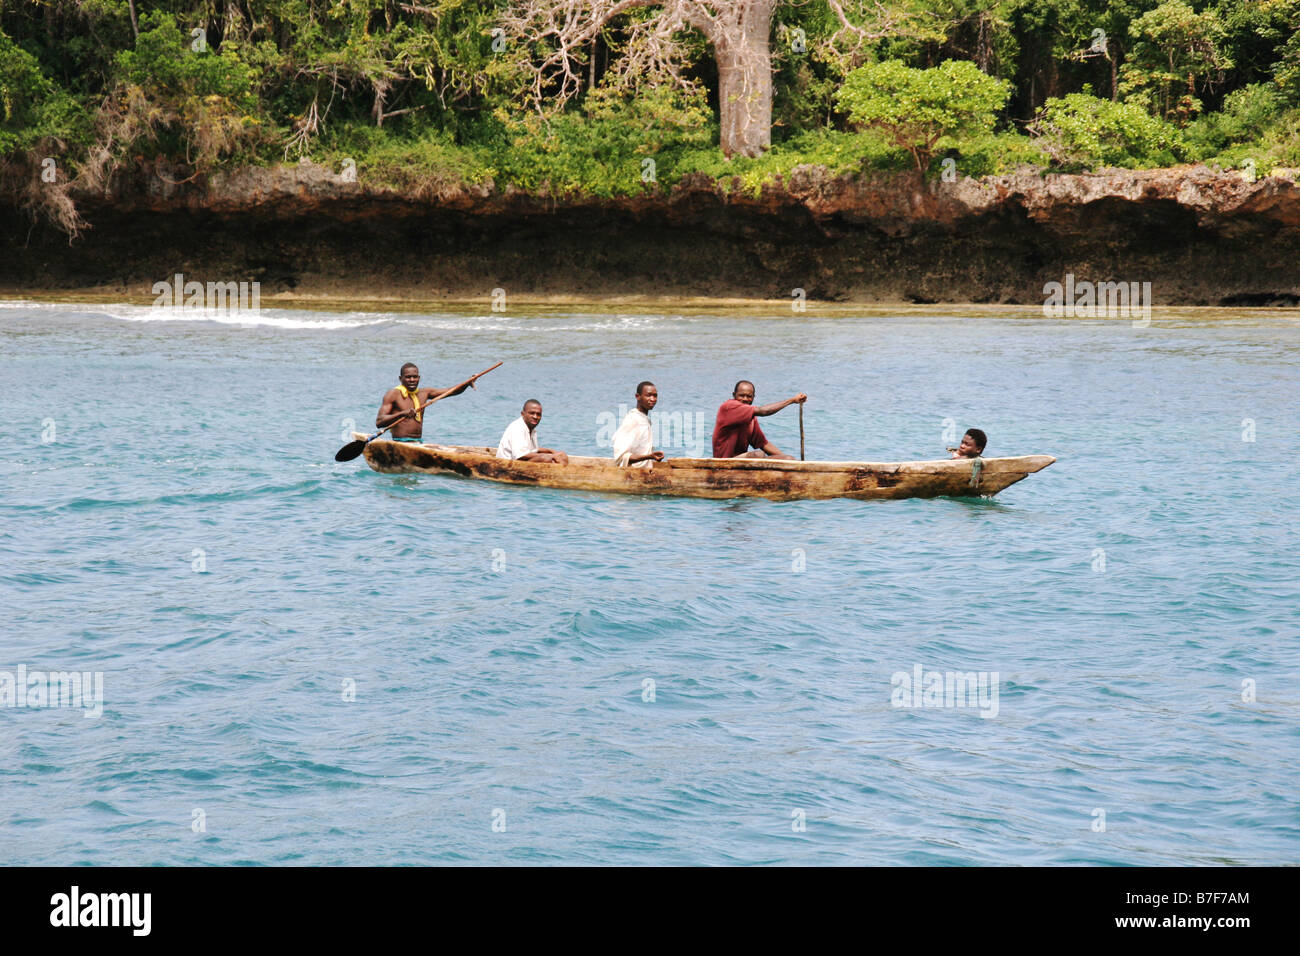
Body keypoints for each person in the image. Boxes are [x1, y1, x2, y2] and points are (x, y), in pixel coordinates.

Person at [376, 362, 479, 443]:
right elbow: (379, 422)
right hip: (399, 442)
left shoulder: (424, 393)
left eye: (415, 377)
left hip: (418, 442)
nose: (412, 380)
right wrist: (401, 414)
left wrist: (467, 383)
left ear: (419, 378)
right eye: (408, 377)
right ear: (400, 378)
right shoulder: (393, 394)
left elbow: (451, 391)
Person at [712, 380, 806, 459]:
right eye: (741, 395)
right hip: (725, 461)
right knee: (758, 455)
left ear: (753, 397)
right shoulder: (729, 407)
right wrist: (792, 400)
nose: (745, 399)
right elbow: (763, 411)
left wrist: (786, 459)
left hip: (741, 462)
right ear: (734, 395)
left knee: (788, 459)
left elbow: (763, 444)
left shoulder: (751, 418)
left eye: (749, 396)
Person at [497, 400, 569, 464]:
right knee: (546, 459)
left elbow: (532, 450)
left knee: (561, 454)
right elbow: (521, 455)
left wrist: (551, 451)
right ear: (523, 414)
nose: (535, 416)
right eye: (532, 413)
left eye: (538, 414)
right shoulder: (518, 428)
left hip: (519, 462)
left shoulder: (531, 429)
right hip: (507, 464)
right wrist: (552, 456)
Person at [612, 382, 666, 468]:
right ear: (638, 396)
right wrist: (649, 456)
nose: (652, 399)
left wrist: (650, 457)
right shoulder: (633, 420)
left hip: (644, 473)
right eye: (648, 395)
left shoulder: (644, 419)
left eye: (655, 396)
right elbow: (621, 457)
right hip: (631, 475)